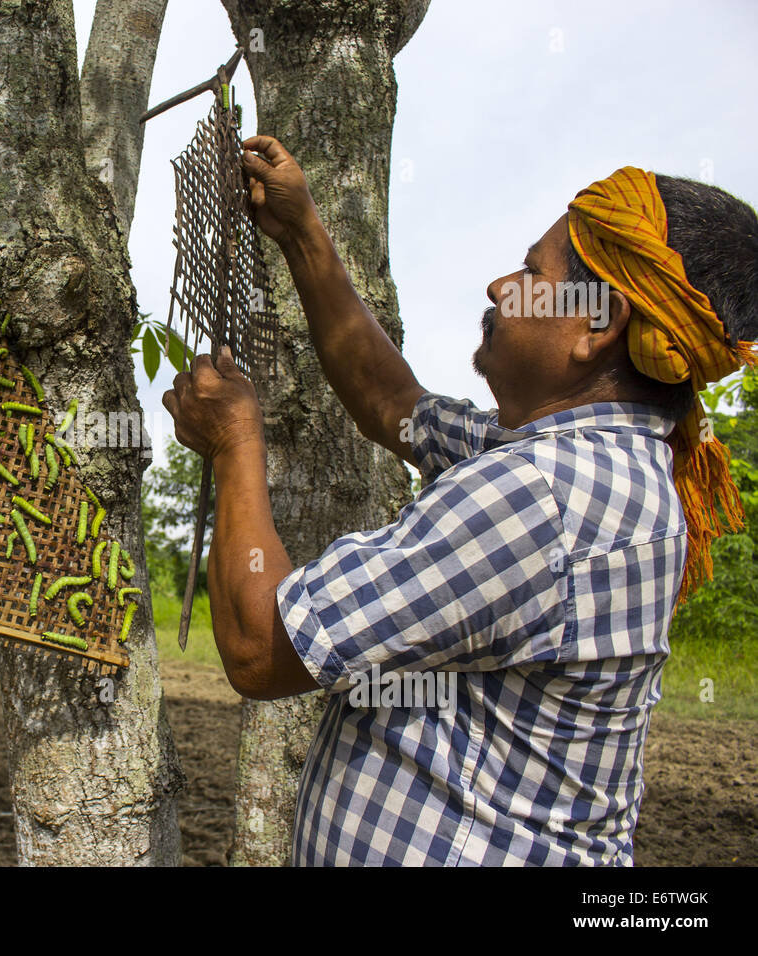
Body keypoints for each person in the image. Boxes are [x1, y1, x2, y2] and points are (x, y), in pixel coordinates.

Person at [161, 135, 757, 865]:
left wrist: (235, 446)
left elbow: (262, 647)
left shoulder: (539, 496)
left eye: (532, 275)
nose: (500, 287)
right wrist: (301, 233)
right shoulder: (600, 463)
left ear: (598, 327)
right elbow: (393, 403)